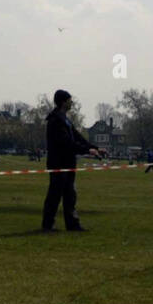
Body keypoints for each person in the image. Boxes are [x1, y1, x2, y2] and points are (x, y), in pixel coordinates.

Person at [42, 89, 105, 232]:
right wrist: (87, 150)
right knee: (55, 195)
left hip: (68, 164)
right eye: (70, 100)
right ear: (63, 102)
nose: (72, 102)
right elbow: (67, 143)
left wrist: (95, 148)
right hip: (59, 164)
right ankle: (48, 224)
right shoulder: (55, 121)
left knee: (70, 195)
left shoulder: (65, 119)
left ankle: (72, 224)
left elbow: (77, 138)